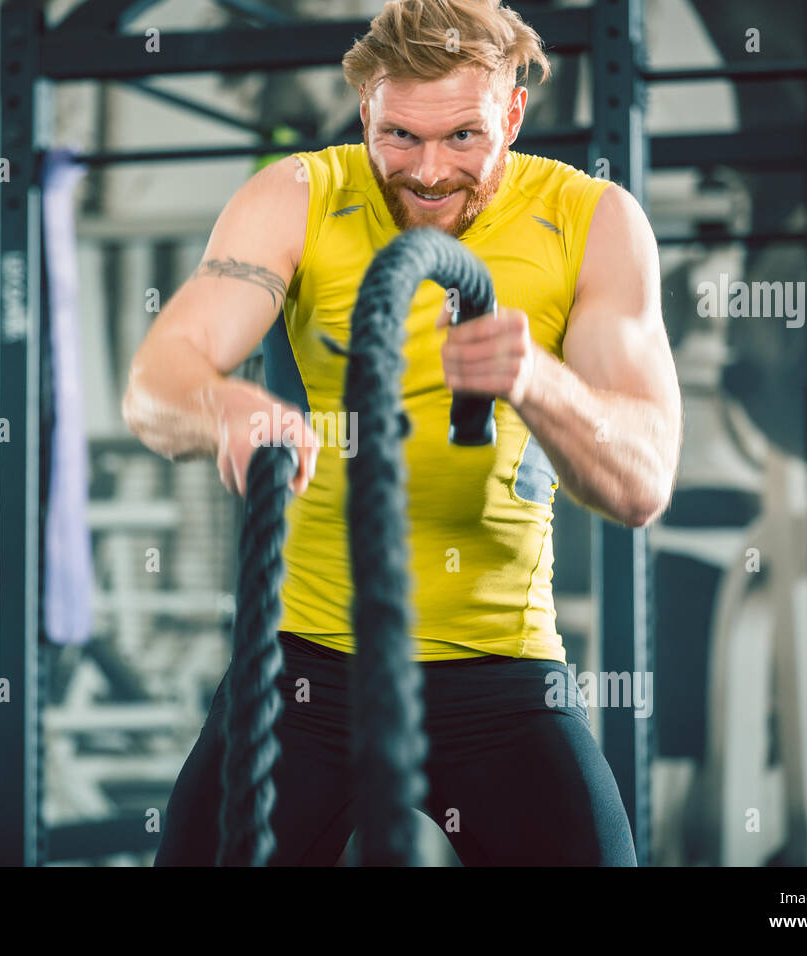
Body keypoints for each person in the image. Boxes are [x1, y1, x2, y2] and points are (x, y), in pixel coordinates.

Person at [122, 0, 681, 865]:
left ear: (513, 115)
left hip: (499, 672)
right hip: (306, 672)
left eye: (463, 138)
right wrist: (218, 406)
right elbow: (156, 382)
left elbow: (642, 484)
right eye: (400, 138)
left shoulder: (591, 220)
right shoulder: (300, 195)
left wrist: (536, 379)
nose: (427, 172)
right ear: (366, 114)